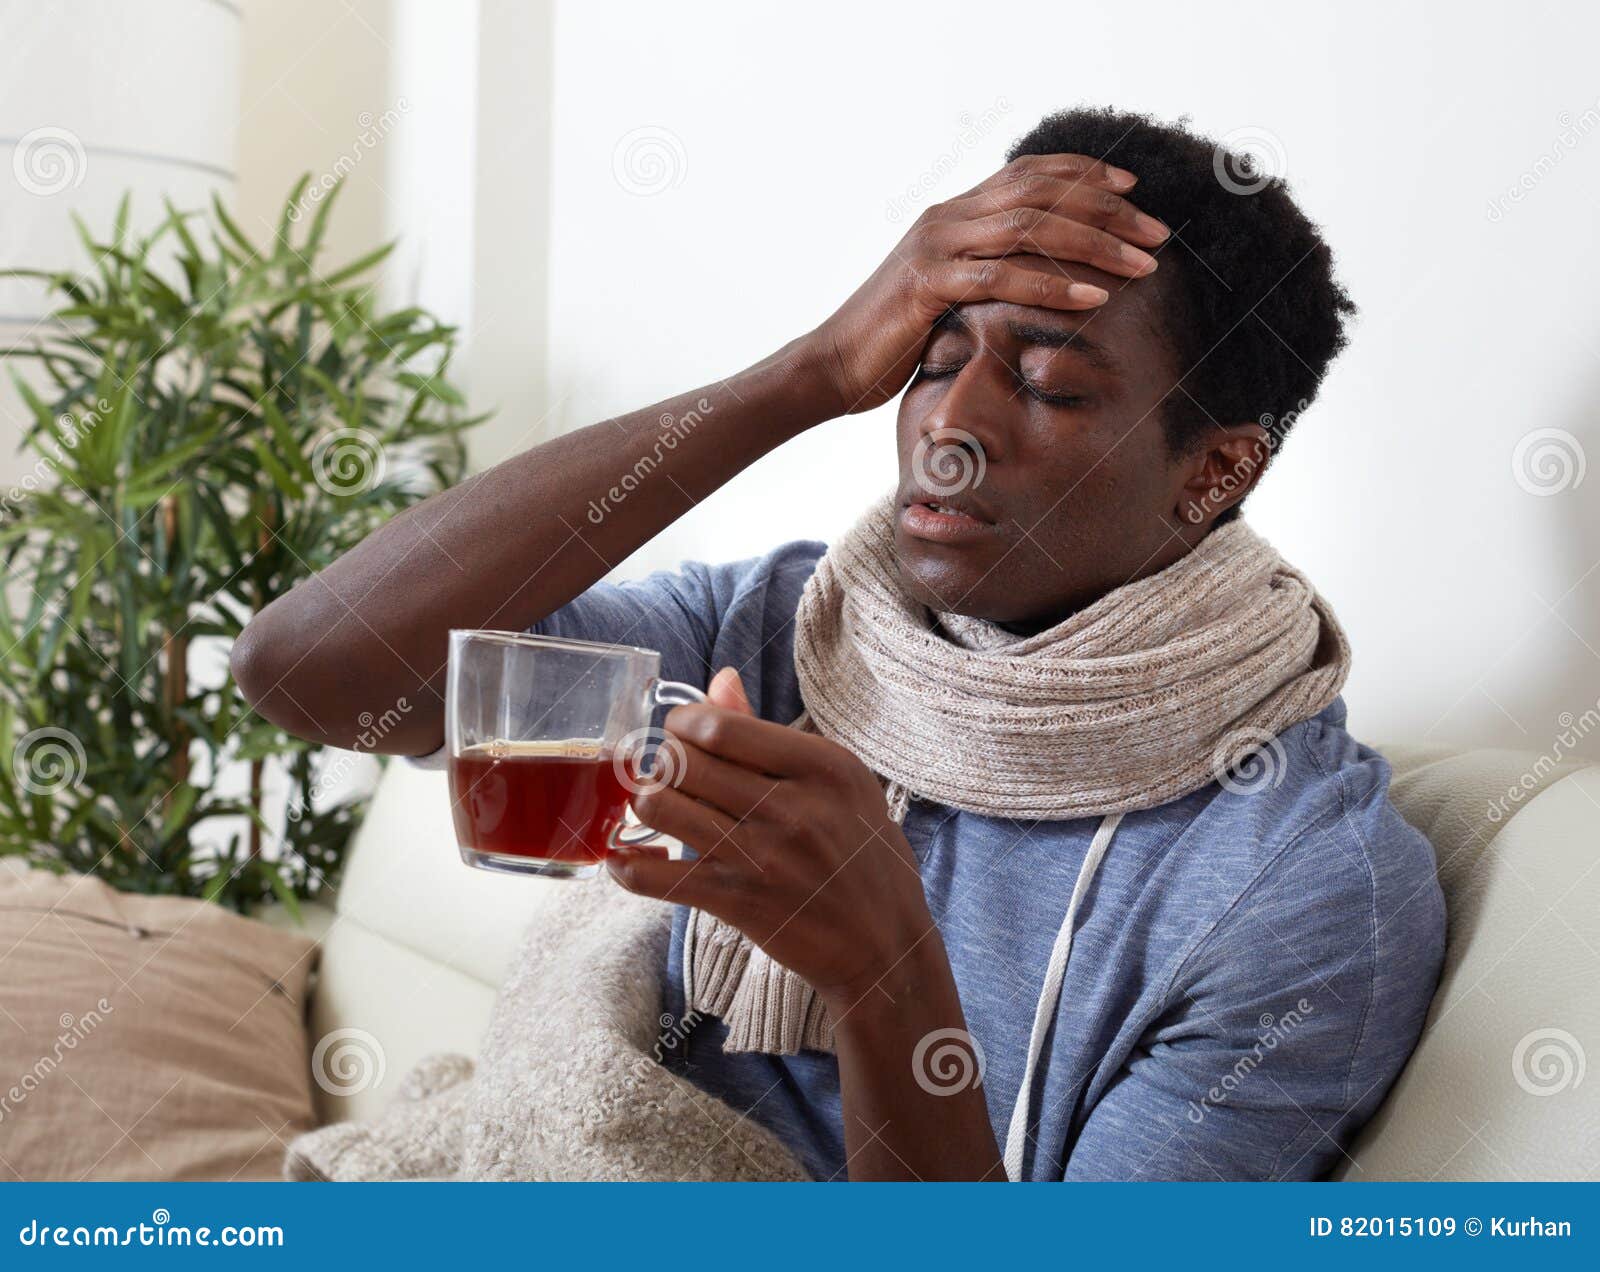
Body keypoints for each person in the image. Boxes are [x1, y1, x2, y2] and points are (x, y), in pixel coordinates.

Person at [233, 106, 1445, 1181]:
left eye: (1049, 386)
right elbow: (309, 674)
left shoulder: (1296, 888)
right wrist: (806, 372)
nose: (950, 429)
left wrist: (883, 969)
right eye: (930, 360)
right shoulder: (789, 630)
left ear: (1217, 466)